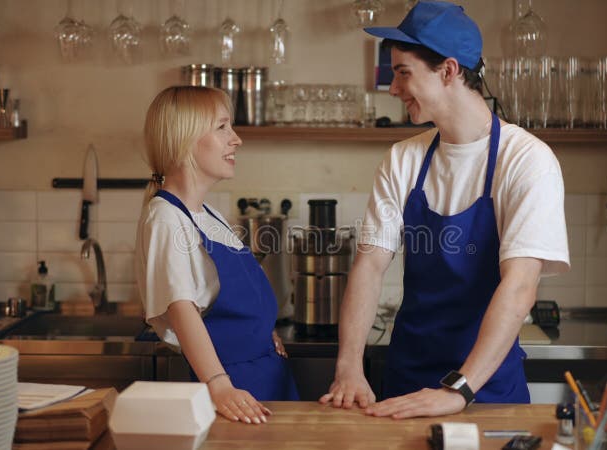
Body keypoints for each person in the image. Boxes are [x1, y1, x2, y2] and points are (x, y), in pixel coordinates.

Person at [319, 1, 570, 418]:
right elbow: (370, 265)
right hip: (408, 377)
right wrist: (349, 368)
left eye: (403, 73)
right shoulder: (403, 159)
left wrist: (460, 389)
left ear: (449, 71)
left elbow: (521, 285)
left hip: (485, 387)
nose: (393, 89)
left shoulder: (526, 159)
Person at [135, 86, 299, 425]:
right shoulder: (166, 217)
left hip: (265, 376)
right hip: (233, 389)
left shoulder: (208, 213)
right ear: (185, 139)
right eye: (222, 127)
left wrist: (261, 328)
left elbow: (223, 294)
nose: (236, 139)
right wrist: (218, 386)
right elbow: (181, 308)